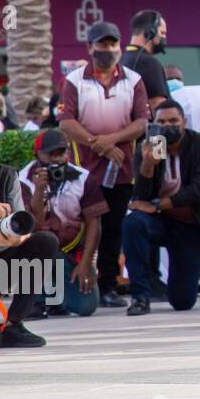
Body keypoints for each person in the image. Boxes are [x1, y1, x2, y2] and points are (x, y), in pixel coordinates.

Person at [57, 21, 149, 308]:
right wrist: (97, 143)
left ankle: (108, 286)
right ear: (90, 47)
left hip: (121, 171)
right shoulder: (74, 80)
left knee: (112, 230)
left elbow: (142, 123)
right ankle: (74, 285)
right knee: (81, 227)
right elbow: (67, 123)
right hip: (82, 171)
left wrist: (111, 141)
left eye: (111, 44)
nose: (106, 50)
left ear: (119, 47)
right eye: (101, 44)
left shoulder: (133, 80)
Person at [0, 117, 57, 347]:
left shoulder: (5, 175)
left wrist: (12, 238)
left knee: (44, 242)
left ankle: (12, 326)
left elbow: (21, 225)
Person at [121, 100, 200, 314]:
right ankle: (140, 297)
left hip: (189, 224)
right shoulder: (148, 146)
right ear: (154, 124)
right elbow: (140, 197)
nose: (168, 126)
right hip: (158, 222)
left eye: (174, 121)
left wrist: (158, 205)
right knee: (132, 223)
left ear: (185, 122)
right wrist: (147, 165)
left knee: (182, 301)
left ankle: (176, 286)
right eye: (161, 122)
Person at [18, 128, 104, 318]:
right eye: (50, 154)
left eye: (61, 152)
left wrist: (86, 263)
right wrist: (40, 191)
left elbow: (94, 223)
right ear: (37, 155)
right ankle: (37, 299)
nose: (56, 159)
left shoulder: (83, 178)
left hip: (70, 254)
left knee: (86, 306)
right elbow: (34, 224)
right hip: (37, 253)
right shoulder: (23, 180)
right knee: (45, 242)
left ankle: (57, 300)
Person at [122, 10, 170, 114]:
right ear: (150, 32)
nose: (165, 37)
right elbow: (159, 106)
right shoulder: (150, 64)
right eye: (162, 32)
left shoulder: (121, 60)